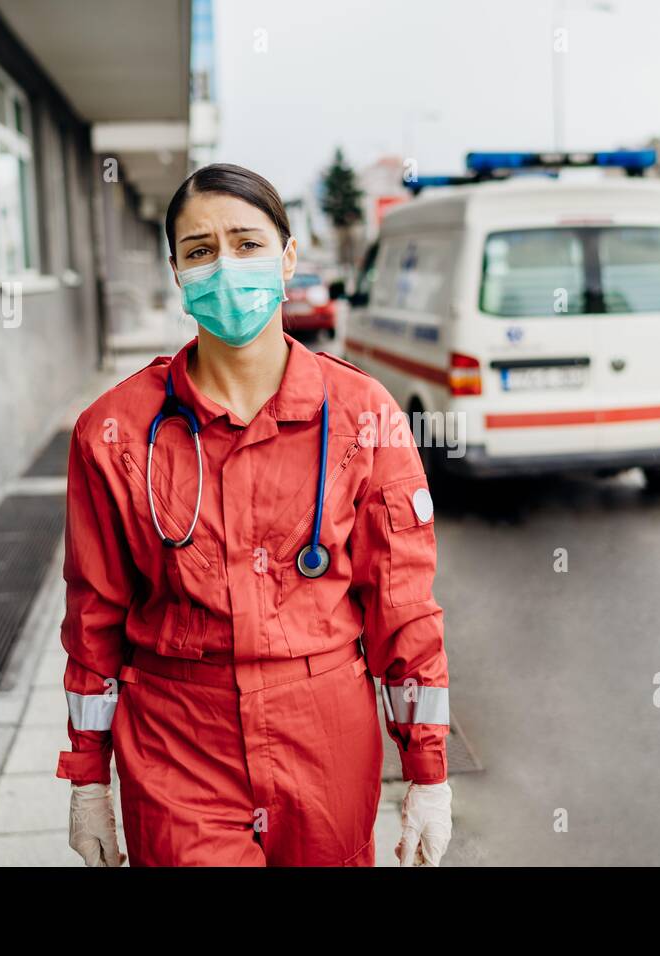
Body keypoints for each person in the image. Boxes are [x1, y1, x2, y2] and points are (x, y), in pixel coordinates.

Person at [54, 163, 452, 866]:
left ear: (288, 256)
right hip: (178, 740)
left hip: (324, 734)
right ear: (176, 270)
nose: (225, 267)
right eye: (200, 251)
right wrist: (89, 778)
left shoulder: (362, 416)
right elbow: (94, 617)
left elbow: (404, 608)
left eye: (247, 243)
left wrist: (427, 773)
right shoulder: (114, 432)